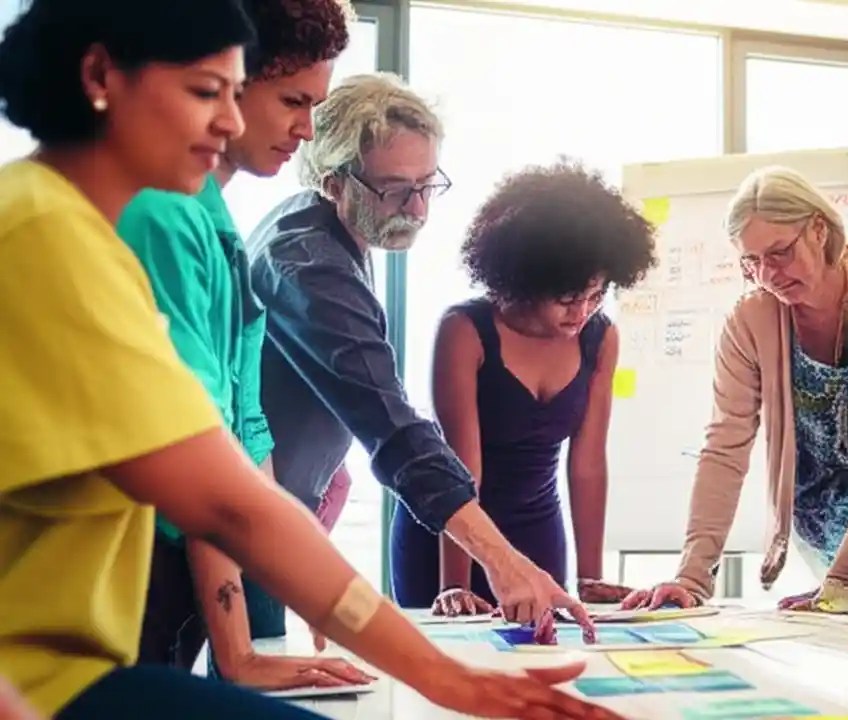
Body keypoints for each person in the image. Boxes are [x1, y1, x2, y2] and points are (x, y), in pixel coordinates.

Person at [0, 1, 619, 719]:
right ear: (102, 75)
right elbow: (230, 502)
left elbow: (239, 463)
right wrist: (450, 676)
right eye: (209, 93)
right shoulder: (53, 235)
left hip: (74, 666)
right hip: (46, 676)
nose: (231, 123)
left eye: (236, 94)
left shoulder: (93, 227)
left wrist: (434, 670)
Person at [246, 73, 590, 639]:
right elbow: (393, 425)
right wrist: (501, 563)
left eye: (428, 185)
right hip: (246, 526)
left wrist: (328, 470)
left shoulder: (337, 232)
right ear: (335, 182)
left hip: (282, 516)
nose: (418, 208)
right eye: (395, 189)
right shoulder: (310, 261)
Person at [117, 0, 369, 690]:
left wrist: (308, 577)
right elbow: (200, 454)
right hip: (125, 574)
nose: (305, 129)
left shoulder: (216, 216)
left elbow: (245, 427)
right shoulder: (160, 211)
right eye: (292, 100)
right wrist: (240, 655)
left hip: (177, 580)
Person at [623, 166, 848, 613]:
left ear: (818, 228)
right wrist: (692, 577)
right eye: (751, 262)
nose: (767, 275)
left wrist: (844, 583)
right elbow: (724, 448)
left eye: (779, 253)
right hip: (820, 540)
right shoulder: (748, 320)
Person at [395, 161, 656, 614]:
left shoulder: (600, 339)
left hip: (537, 531)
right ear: (530, 279)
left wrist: (589, 578)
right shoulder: (466, 330)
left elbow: (588, 463)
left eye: (596, 296)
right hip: (449, 534)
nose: (583, 312)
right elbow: (461, 465)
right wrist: (453, 585)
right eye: (569, 299)